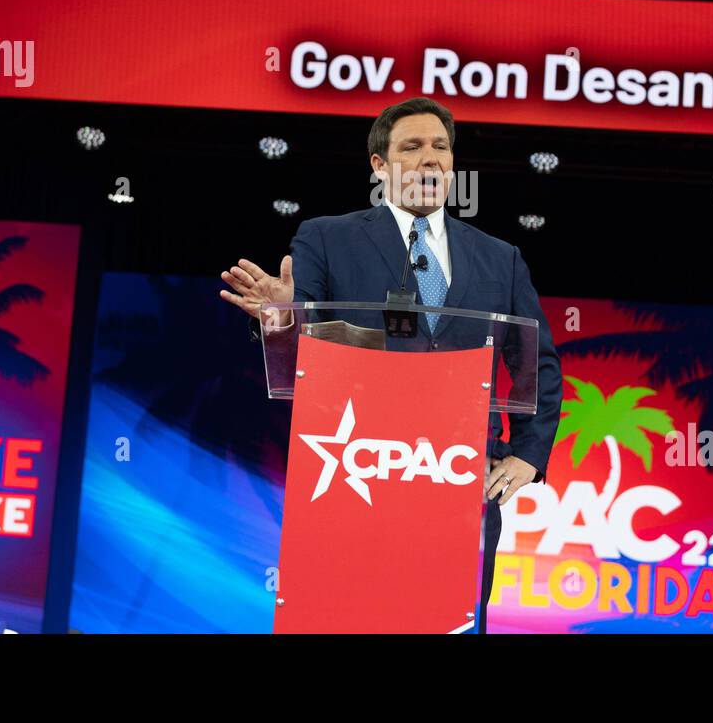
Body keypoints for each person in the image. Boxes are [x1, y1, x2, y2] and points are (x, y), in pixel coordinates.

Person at [220, 96, 562, 632]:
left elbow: (537, 361)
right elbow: (302, 350)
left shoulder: (501, 258)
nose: (429, 159)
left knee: (449, 620)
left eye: (440, 147)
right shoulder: (327, 237)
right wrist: (283, 314)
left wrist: (527, 453)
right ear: (380, 166)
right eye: (412, 147)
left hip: (459, 478)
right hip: (356, 471)